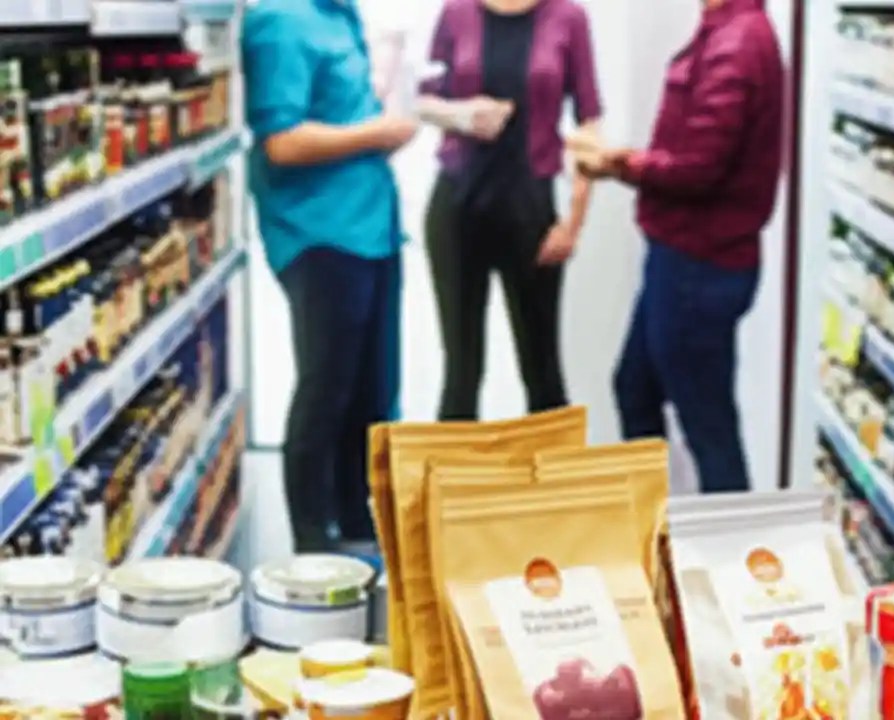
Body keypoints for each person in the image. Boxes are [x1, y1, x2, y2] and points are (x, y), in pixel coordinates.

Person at [572, 0, 784, 493]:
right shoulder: (726, 30)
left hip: (699, 264)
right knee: (635, 389)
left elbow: (698, 167)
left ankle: (730, 557)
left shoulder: (738, 41)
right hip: (681, 257)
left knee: (709, 429)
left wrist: (620, 165)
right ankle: (655, 538)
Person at [242, 0, 419, 552]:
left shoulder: (340, 15)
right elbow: (282, 141)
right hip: (320, 233)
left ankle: (357, 520)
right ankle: (313, 540)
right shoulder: (281, 20)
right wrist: (377, 134)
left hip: (372, 225)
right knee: (328, 386)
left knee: (373, 387)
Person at [417, 0, 603, 421]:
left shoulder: (568, 18)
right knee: (460, 374)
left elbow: (589, 124)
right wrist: (461, 115)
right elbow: (422, 101)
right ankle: (459, 486)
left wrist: (573, 221)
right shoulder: (456, 13)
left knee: (543, 373)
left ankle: (550, 485)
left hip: (531, 214)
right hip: (457, 210)